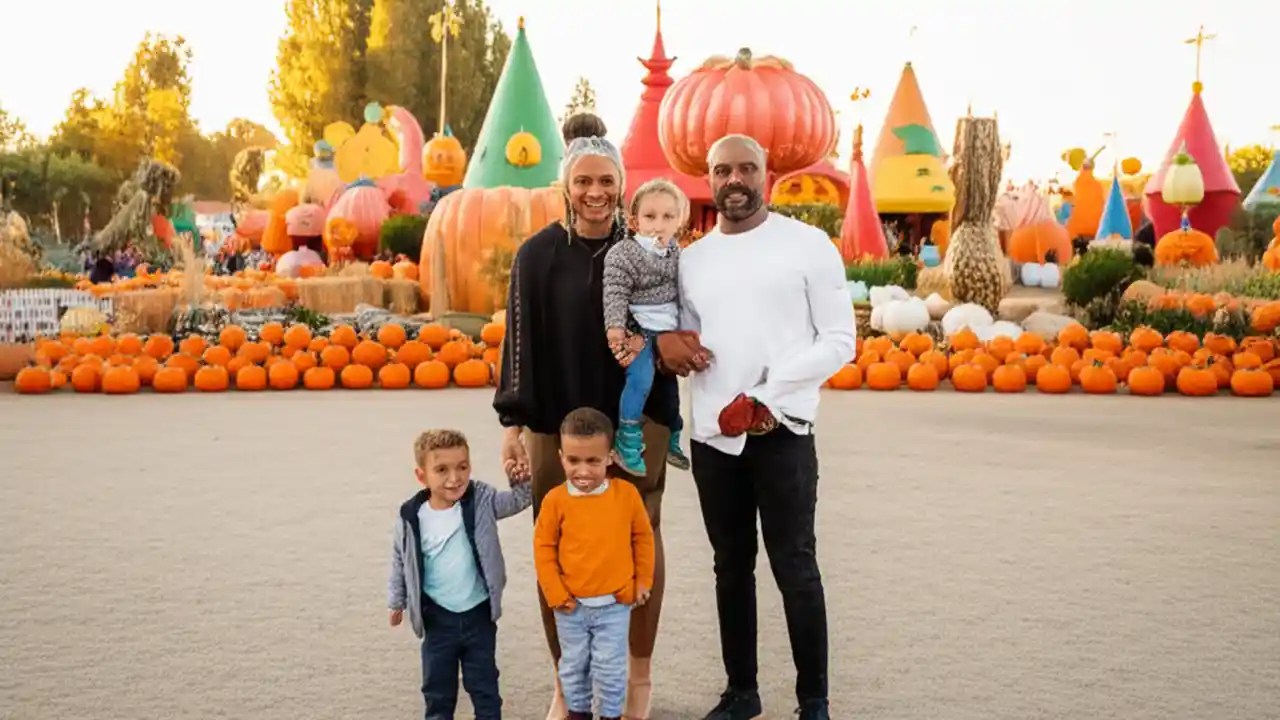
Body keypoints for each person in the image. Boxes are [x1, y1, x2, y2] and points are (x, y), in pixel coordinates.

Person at [654, 134, 855, 720]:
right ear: (709, 179)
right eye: (723, 170)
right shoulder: (690, 261)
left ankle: (812, 701)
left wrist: (766, 394)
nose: (734, 179)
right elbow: (679, 341)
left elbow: (840, 340)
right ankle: (742, 691)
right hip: (714, 438)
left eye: (746, 168)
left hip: (783, 433)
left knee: (795, 564)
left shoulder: (808, 245)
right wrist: (669, 351)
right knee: (730, 567)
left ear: (767, 174)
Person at [494, 135, 678, 720]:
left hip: (634, 419)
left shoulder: (651, 248)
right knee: (558, 541)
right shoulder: (538, 255)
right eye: (583, 181)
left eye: (606, 181)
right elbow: (518, 343)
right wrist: (512, 425)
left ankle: (637, 676)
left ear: (622, 185)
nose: (595, 193)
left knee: (639, 534)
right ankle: (566, 680)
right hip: (558, 424)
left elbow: (678, 319)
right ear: (566, 186)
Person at [388, 429, 533, 720]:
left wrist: (521, 480)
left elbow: (518, 501)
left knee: (484, 685)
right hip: (436, 617)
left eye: (462, 467)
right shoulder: (410, 517)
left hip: (478, 613)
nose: (454, 478)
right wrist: (397, 600)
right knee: (437, 689)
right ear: (422, 476)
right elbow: (400, 560)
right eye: (442, 470)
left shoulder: (481, 499)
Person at [533, 407, 656, 720]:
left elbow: (643, 539)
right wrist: (555, 593)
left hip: (615, 605)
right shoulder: (555, 501)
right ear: (561, 456)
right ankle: (577, 713)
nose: (583, 471)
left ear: (610, 457)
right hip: (570, 606)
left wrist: (642, 582)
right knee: (573, 667)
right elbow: (544, 549)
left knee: (610, 668)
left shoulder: (626, 495)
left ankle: (611, 715)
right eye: (573, 461)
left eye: (593, 461)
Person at [603, 178, 691, 476]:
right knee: (640, 380)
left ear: (679, 220)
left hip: (667, 331)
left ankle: (672, 433)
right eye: (650, 216)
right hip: (638, 329)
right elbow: (614, 291)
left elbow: (683, 290)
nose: (659, 224)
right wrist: (615, 328)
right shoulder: (624, 254)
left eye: (668, 217)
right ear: (635, 220)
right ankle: (627, 439)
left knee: (669, 389)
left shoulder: (677, 253)